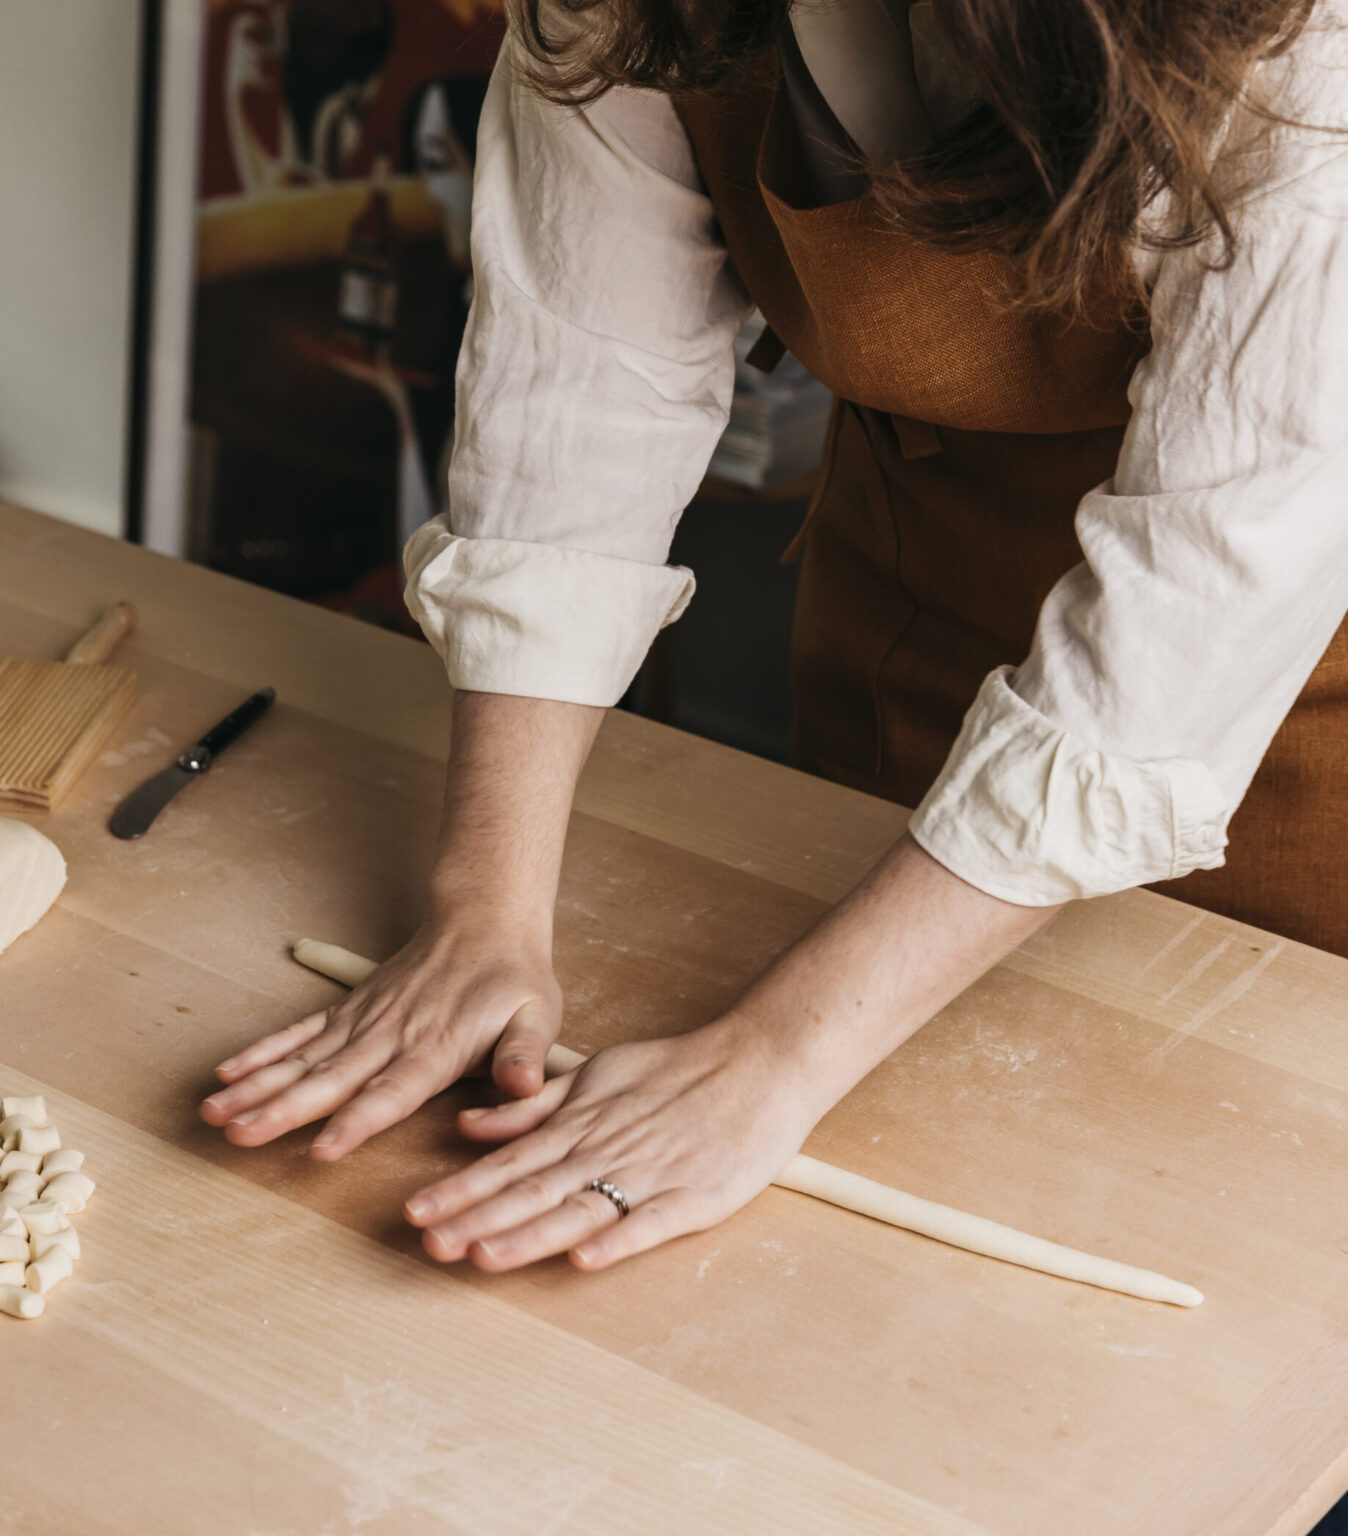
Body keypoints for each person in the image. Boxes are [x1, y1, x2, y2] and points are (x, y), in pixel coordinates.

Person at [201, 0, 1348, 1276]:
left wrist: (772, 1055)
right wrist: (483, 914)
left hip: (1297, 717)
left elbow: (1207, 596)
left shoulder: (1307, 49)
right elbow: (578, 385)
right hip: (916, 607)